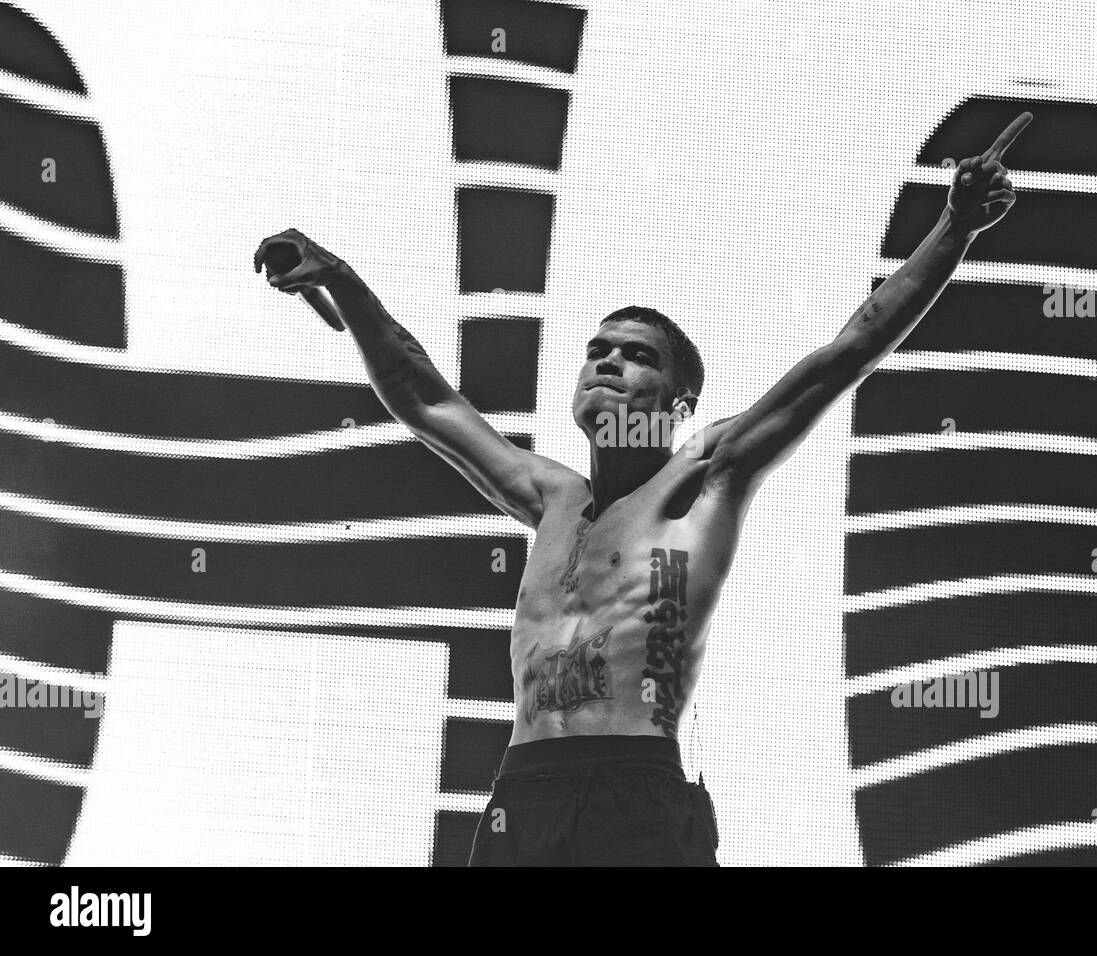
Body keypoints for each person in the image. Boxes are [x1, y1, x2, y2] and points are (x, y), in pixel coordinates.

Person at [254, 111, 1033, 866]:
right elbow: (423, 398)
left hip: (636, 791)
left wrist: (955, 227)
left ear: (681, 403)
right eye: (596, 350)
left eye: (635, 355)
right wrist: (344, 282)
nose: (607, 362)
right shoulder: (549, 495)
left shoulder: (707, 474)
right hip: (523, 794)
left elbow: (853, 346)